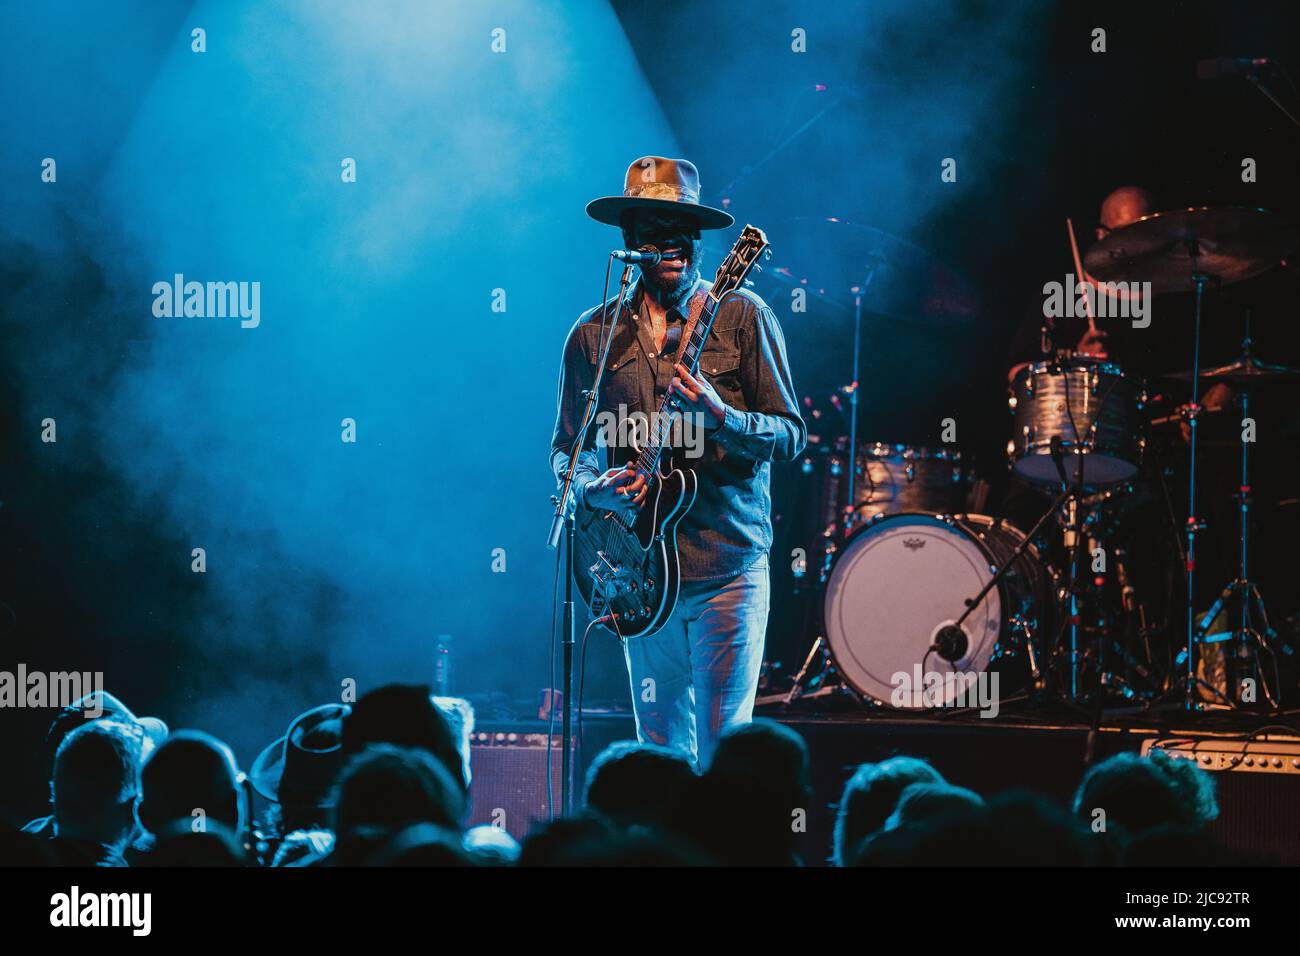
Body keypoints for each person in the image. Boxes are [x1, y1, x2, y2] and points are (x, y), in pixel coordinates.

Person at [552, 156, 806, 769]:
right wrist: (592, 493)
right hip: (638, 572)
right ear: (629, 240)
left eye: (684, 229)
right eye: (656, 229)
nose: (674, 243)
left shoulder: (744, 316)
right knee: (659, 755)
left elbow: (791, 433)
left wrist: (724, 418)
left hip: (726, 565)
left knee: (726, 760)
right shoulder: (593, 336)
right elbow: (568, 449)